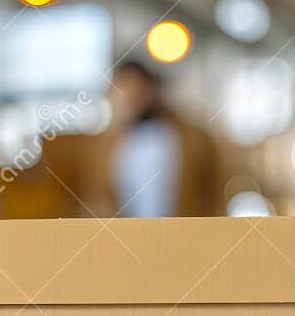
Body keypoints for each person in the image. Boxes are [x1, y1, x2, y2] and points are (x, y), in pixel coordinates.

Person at [78, 60, 220, 217]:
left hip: (182, 233)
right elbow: (98, 198)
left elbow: (212, 194)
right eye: (123, 92)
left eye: (136, 91)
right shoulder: (107, 146)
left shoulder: (191, 138)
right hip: (127, 235)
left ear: (151, 92)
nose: (130, 99)